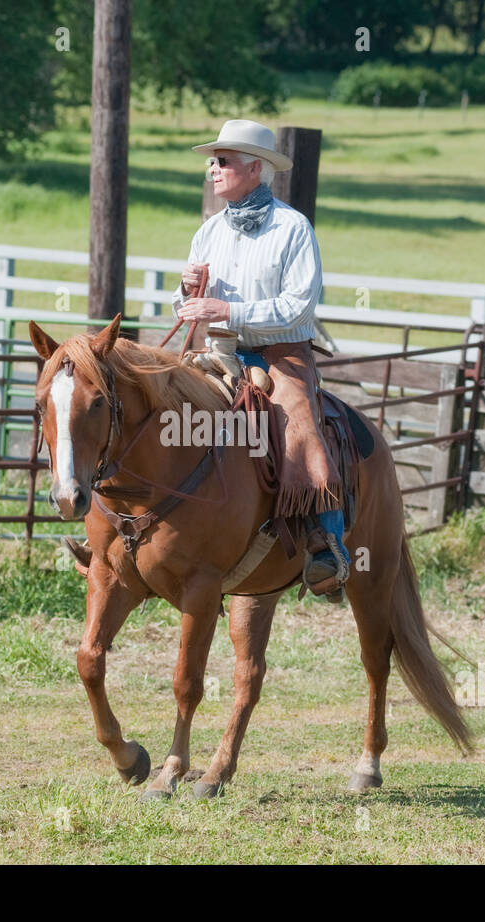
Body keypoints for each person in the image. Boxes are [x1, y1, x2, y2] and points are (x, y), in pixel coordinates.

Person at [172, 119, 349, 597]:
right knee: (158, 405)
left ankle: (325, 543)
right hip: (218, 350)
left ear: (255, 167)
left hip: (281, 355)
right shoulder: (209, 231)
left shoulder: (292, 228)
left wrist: (228, 308)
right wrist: (187, 292)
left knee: (301, 427)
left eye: (222, 160)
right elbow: (184, 307)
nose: (213, 168)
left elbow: (299, 306)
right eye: (213, 160)